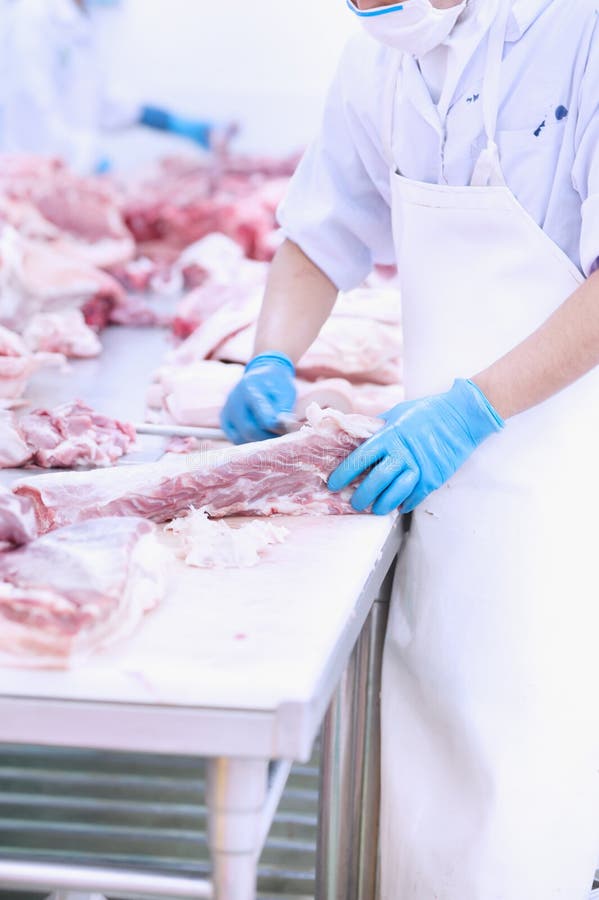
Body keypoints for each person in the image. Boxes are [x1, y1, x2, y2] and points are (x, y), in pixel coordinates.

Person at [221, 0, 599, 897]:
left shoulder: (580, 34)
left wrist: (469, 411)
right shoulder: (378, 59)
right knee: (427, 793)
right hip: (437, 498)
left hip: (561, 486)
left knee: (522, 795)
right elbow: (320, 234)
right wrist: (271, 353)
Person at [0, 0, 232, 173]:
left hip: (66, 177)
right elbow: (30, 114)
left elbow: (95, 100)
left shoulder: (79, 19)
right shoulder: (33, 16)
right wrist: (88, 159)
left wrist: (163, 120)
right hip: (35, 176)